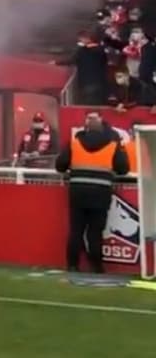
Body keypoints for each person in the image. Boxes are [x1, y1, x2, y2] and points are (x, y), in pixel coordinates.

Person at [55, 113, 129, 274]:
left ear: (86, 128)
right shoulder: (112, 145)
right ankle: (96, 266)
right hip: (101, 193)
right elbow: (123, 169)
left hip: (78, 192)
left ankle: (73, 265)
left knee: (76, 230)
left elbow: (60, 166)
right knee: (95, 232)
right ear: (103, 129)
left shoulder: (74, 143)